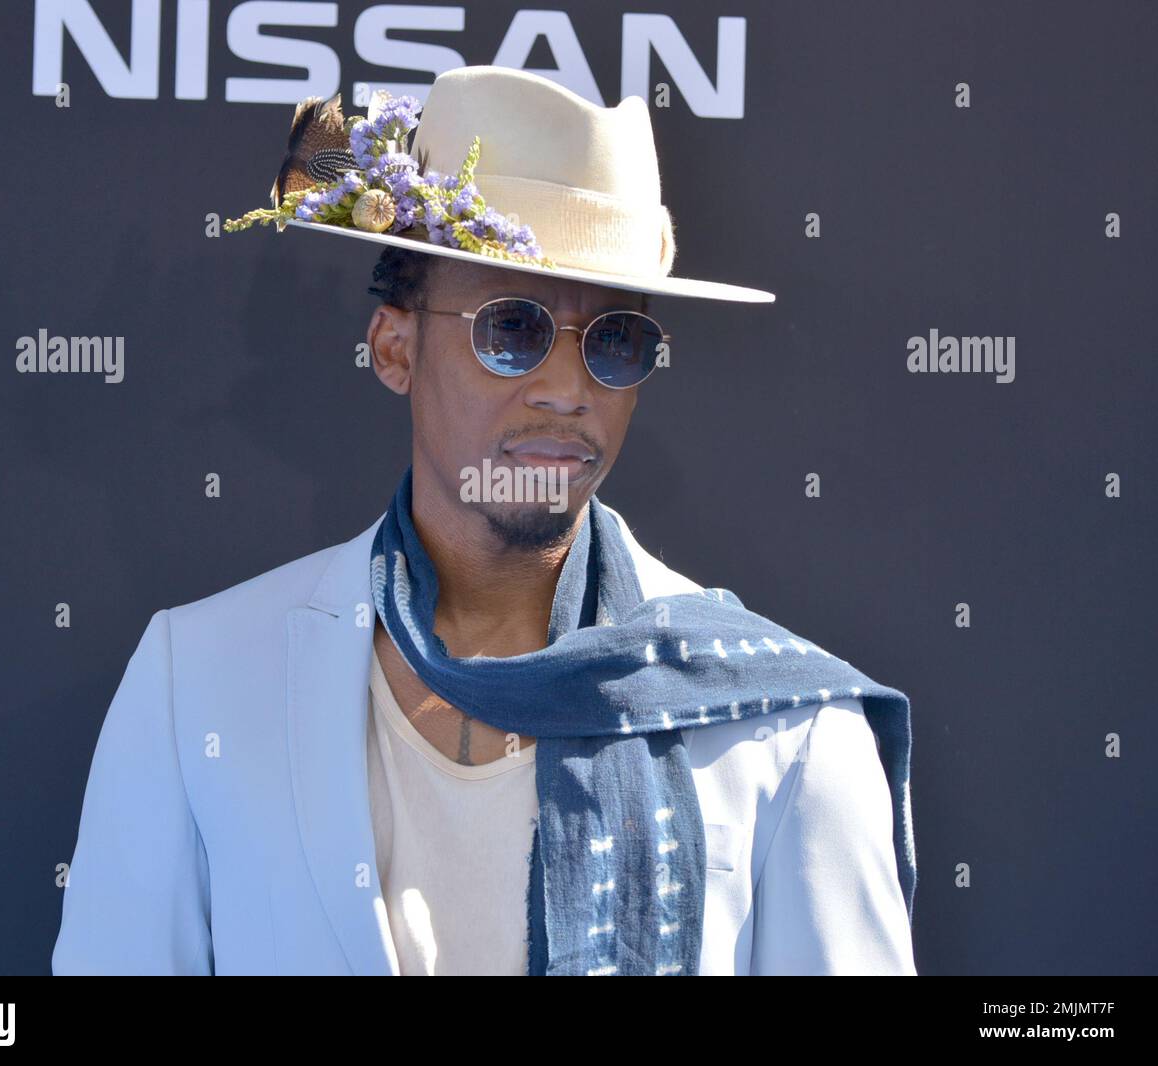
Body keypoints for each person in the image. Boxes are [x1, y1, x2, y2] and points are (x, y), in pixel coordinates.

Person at [53, 65, 917, 976]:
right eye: (514, 328)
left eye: (616, 340)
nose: (566, 391)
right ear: (395, 345)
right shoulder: (198, 683)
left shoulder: (785, 724)